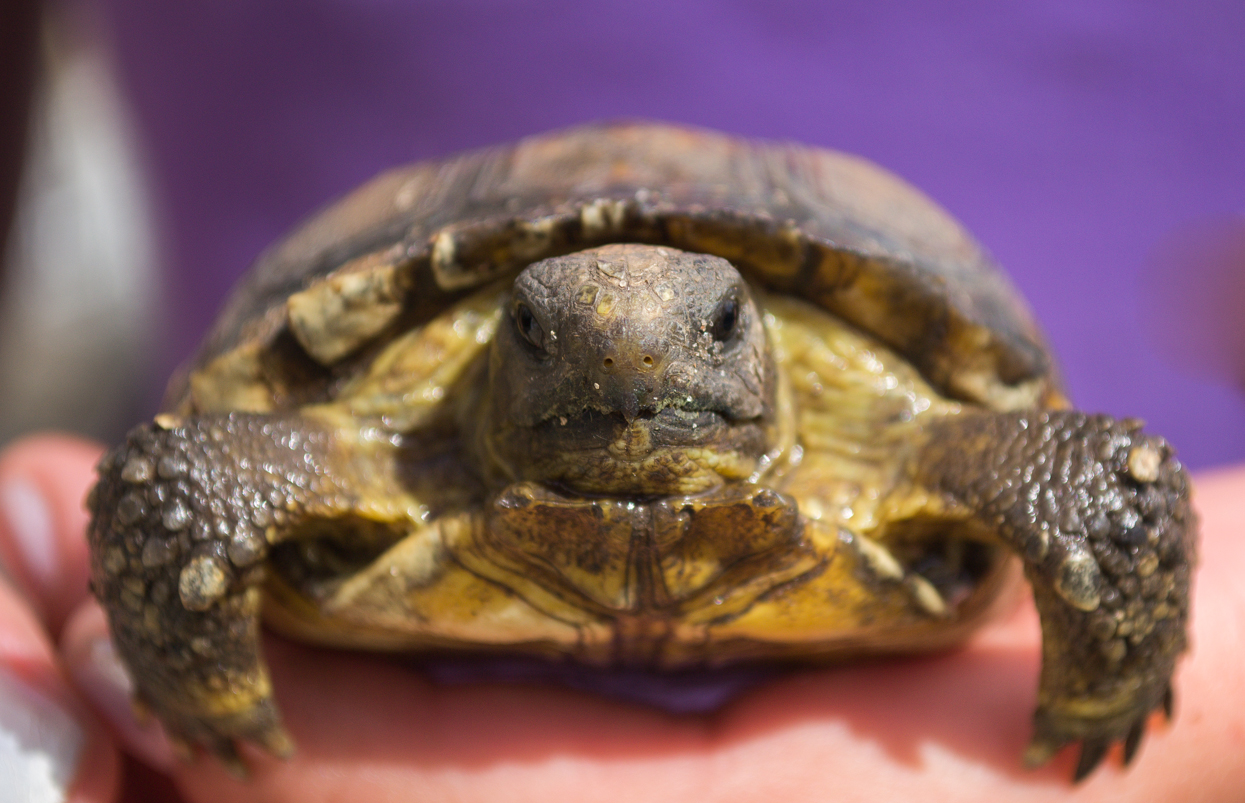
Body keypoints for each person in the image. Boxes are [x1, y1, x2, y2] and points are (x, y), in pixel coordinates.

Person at [0, 432, 1242, 802]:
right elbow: (194, 473)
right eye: (541, 336)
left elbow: (1094, 474)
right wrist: (201, 683)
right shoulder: (363, 440)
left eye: (707, 333)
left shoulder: (913, 432)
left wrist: (1111, 695)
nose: (639, 380)